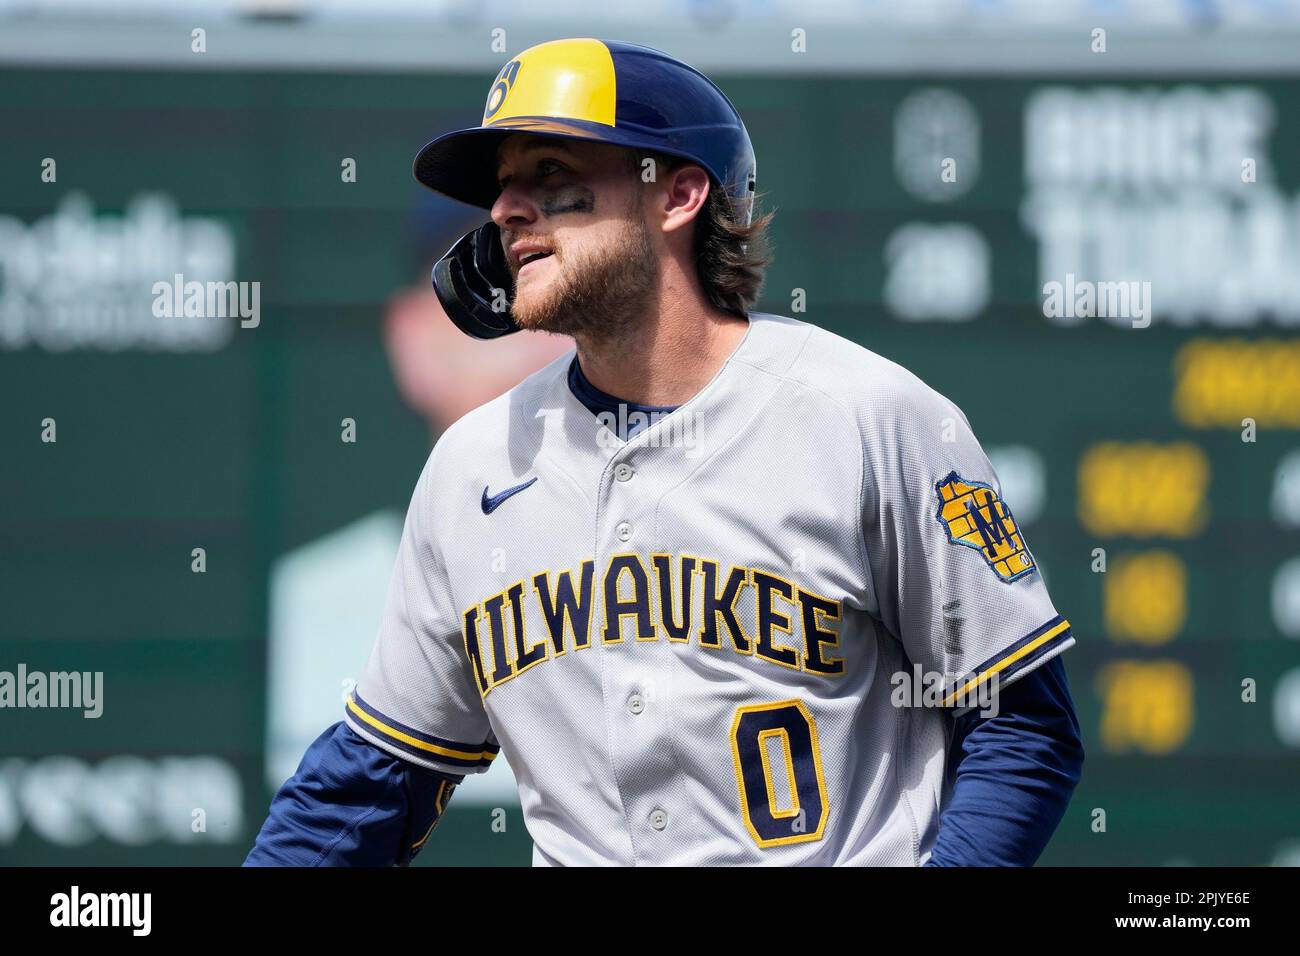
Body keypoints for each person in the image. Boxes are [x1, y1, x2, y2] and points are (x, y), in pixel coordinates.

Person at [246, 37, 1082, 867]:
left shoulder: (865, 416)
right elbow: (370, 783)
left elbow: (1022, 726)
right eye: (503, 187)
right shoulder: (474, 466)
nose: (505, 210)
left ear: (678, 195)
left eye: (550, 175)